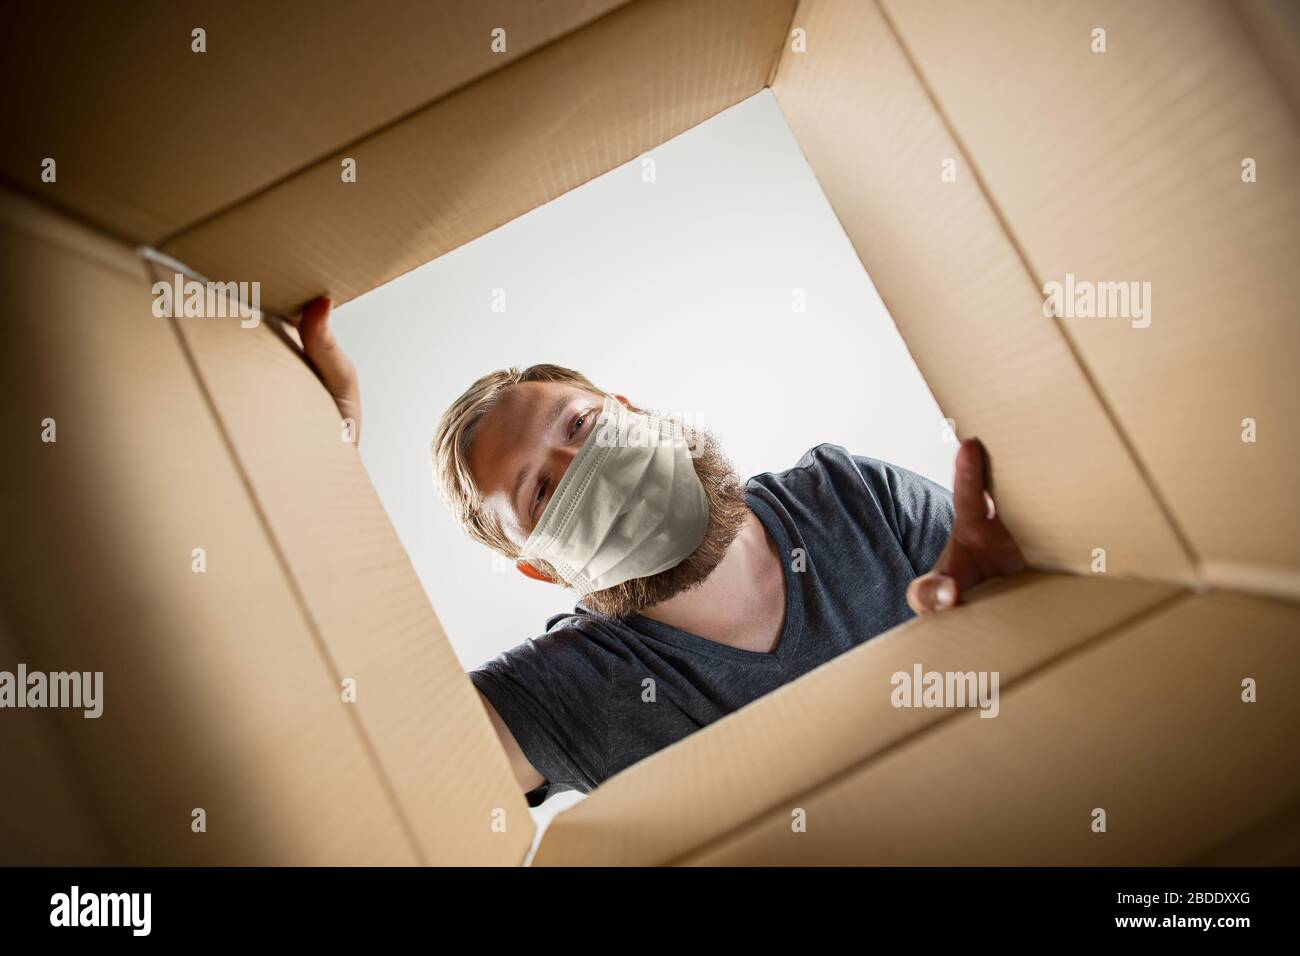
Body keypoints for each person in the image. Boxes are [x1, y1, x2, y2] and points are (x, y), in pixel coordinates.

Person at [296, 297, 1026, 806]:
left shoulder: (852, 498)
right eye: (541, 493)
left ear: (631, 410)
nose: (581, 466)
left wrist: (1028, 598)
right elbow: (386, 768)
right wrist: (310, 485)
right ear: (542, 569)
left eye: (579, 425)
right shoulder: (572, 690)